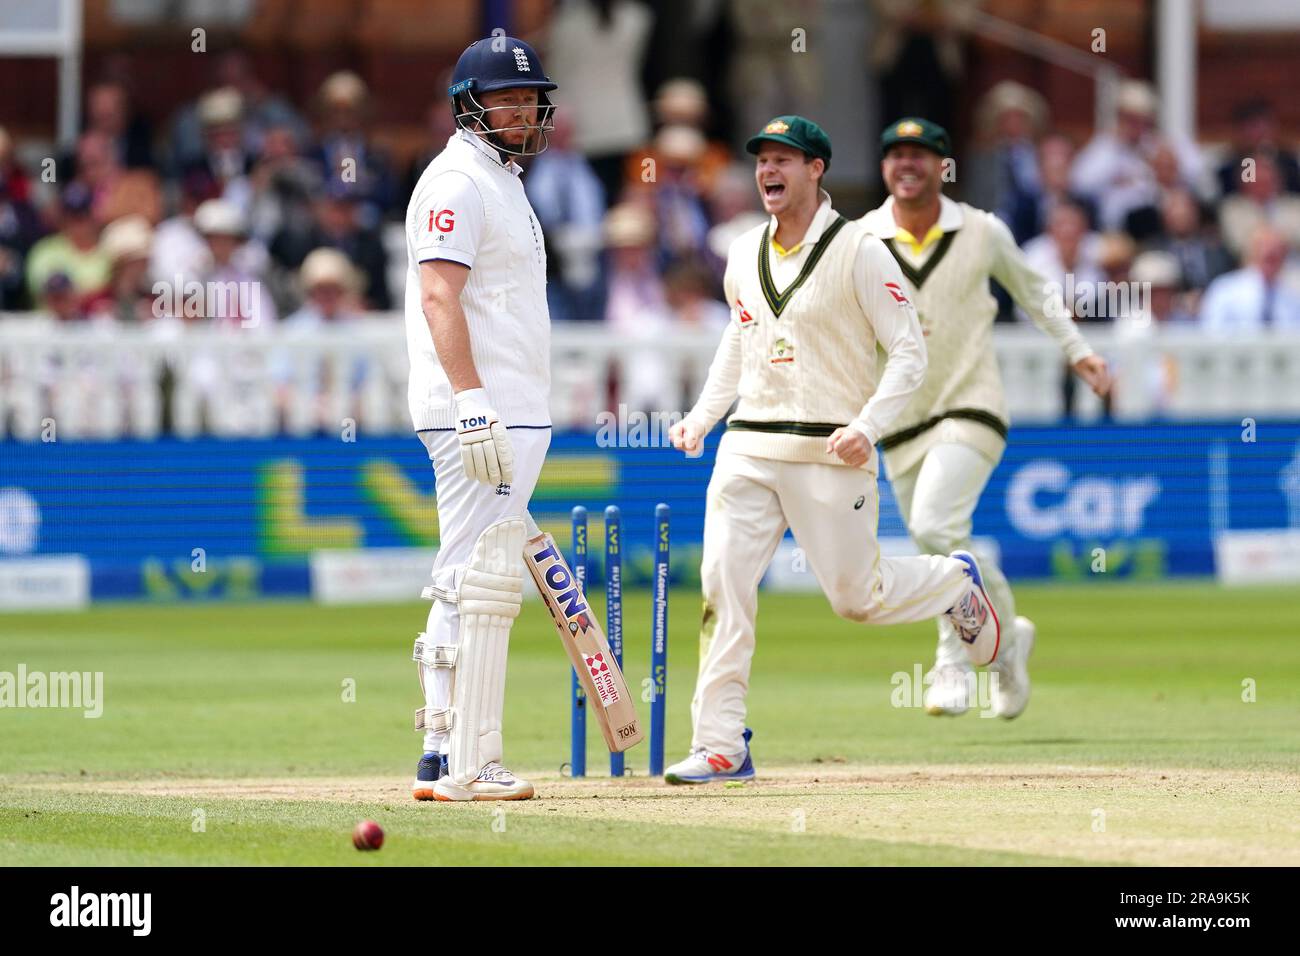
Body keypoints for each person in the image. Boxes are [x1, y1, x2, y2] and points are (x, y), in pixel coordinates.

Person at [663, 116, 1001, 784]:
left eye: (784, 160)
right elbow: (741, 335)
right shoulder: (739, 251)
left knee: (858, 598)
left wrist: (868, 426)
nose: (768, 171)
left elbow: (909, 351)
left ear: (816, 170)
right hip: (749, 448)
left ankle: (954, 581)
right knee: (721, 588)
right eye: (762, 160)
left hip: (830, 452)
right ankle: (721, 741)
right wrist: (703, 417)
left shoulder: (861, 250)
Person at [858, 117, 1110, 719]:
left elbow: (1036, 292)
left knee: (935, 525)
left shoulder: (981, 231)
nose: (906, 165)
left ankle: (950, 660)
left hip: (971, 403)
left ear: (944, 166)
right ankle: (1005, 648)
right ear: (884, 167)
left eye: (920, 154)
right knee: (935, 540)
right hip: (899, 420)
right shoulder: (861, 239)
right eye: (895, 155)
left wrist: (1079, 351)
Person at [405, 37, 559, 802]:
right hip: (482, 410)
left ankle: (441, 753)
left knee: (467, 577)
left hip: (508, 409)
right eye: (508, 98)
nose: (524, 109)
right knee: (476, 580)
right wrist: (470, 399)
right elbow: (439, 293)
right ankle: (471, 761)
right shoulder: (457, 180)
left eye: (531, 98)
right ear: (469, 104)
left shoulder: (501, 178)